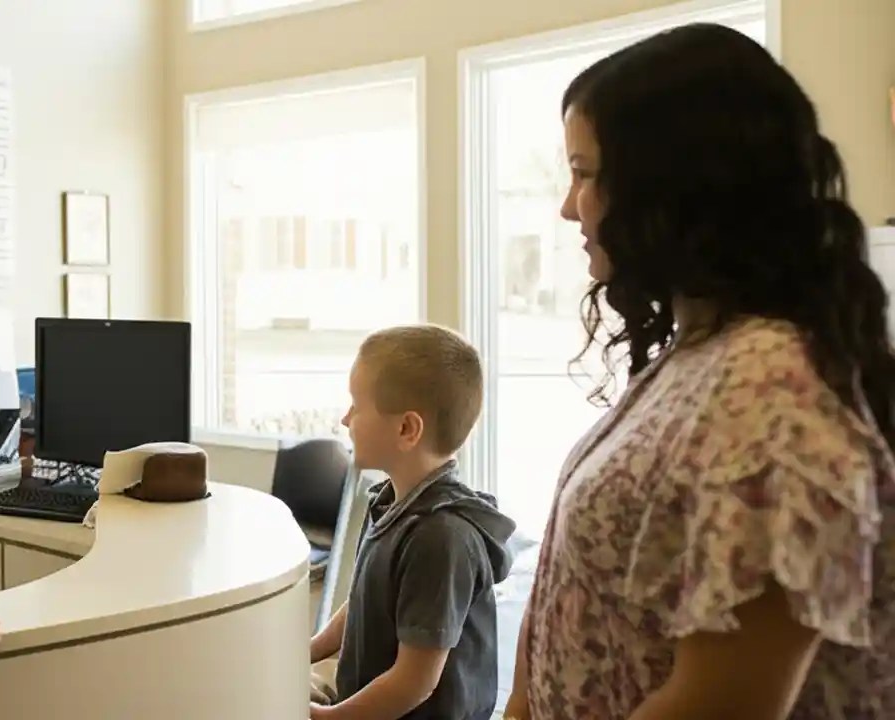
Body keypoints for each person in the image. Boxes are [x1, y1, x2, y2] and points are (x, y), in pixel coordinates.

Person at [503, 23, 895, 720]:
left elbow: (719, 708)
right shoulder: (701, 357)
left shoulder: (773, 398)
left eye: (585, 173)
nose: (569, 207)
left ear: (674, 186)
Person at [310, 324, 516, 720]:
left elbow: (414, 682)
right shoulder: (392, 504)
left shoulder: (440, 538)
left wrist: (328, 718)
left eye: (356, 405)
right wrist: (313, 648)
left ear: (407, 429)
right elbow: (367, 598)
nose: (344, 418)